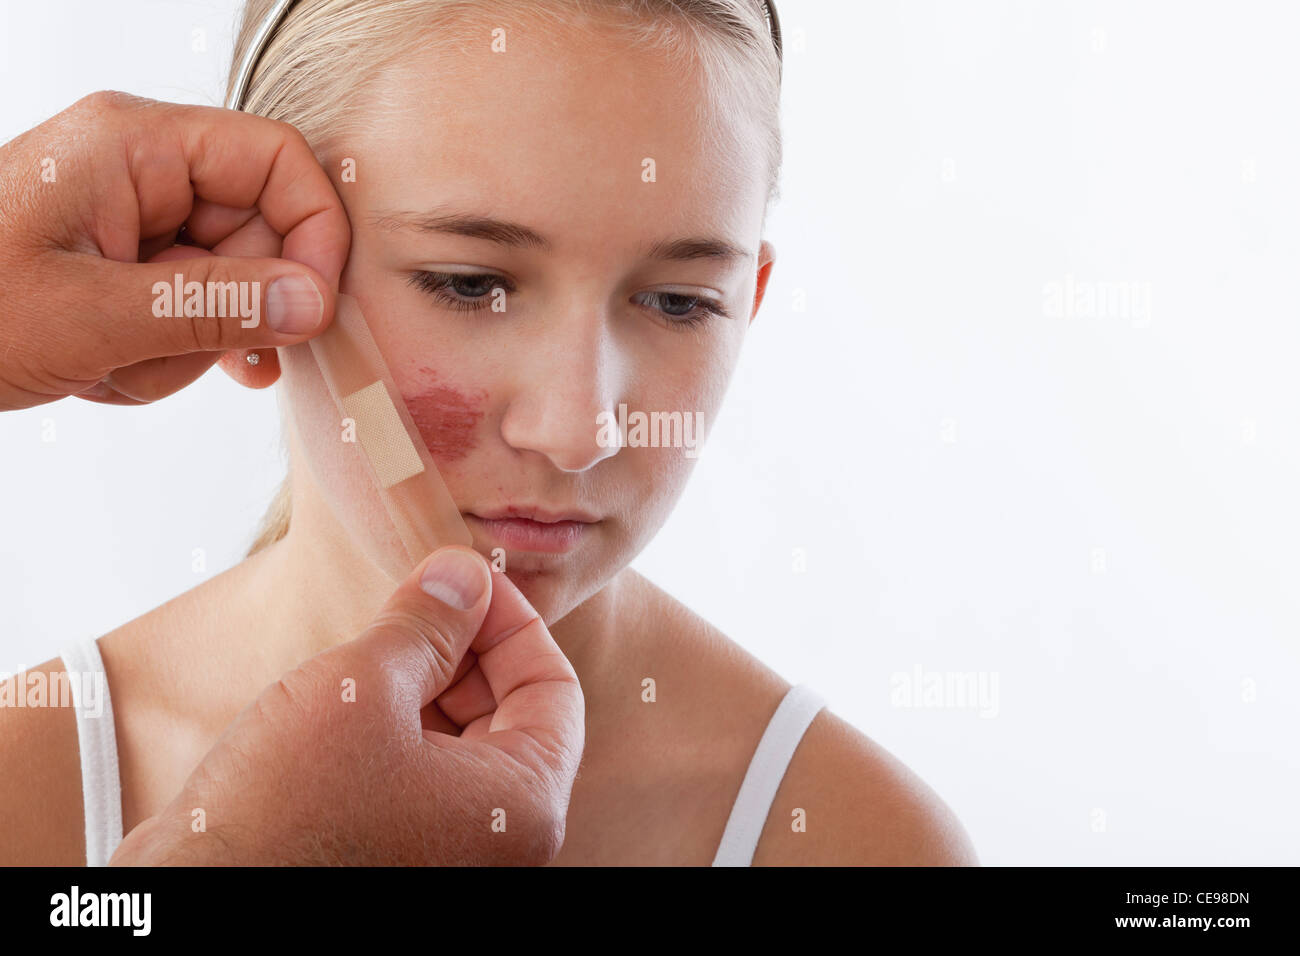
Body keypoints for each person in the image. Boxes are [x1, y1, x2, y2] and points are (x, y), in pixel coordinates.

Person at [1, 0, 979, 866]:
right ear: (243, 278)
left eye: (679, 301)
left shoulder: (866, 841)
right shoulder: (26, 785)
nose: (577, 431)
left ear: (749, 299)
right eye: (469, 284)